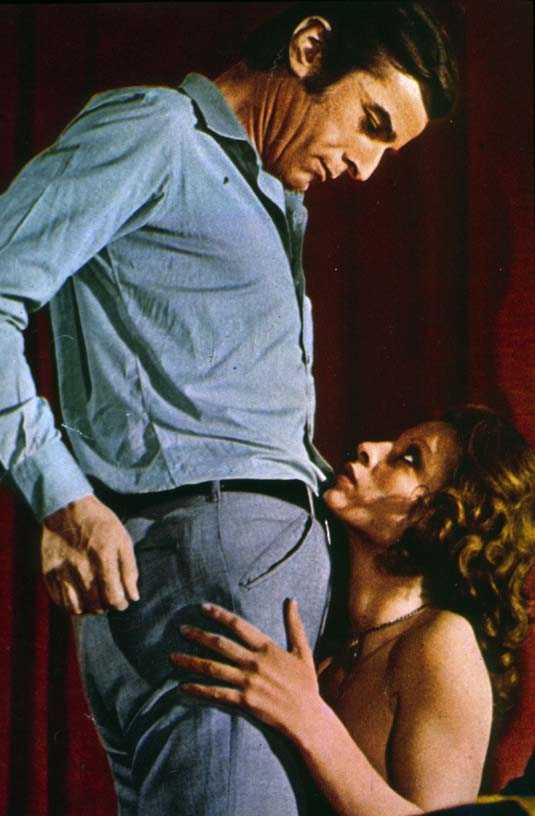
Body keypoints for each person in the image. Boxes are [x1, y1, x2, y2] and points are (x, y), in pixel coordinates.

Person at [0, 3, 457, 814]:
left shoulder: (271, 195)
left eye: (388, 151)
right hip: (204, 585)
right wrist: (62, 496)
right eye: (370, 123)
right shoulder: (159, 133)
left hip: (210, 587)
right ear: (310, 48)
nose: (366, 168)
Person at [171, 406, 535, 816]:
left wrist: (309, 720)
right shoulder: (335, 635)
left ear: (442, 516)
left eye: (408, 458)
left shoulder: (442, 642)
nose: (368, 448)